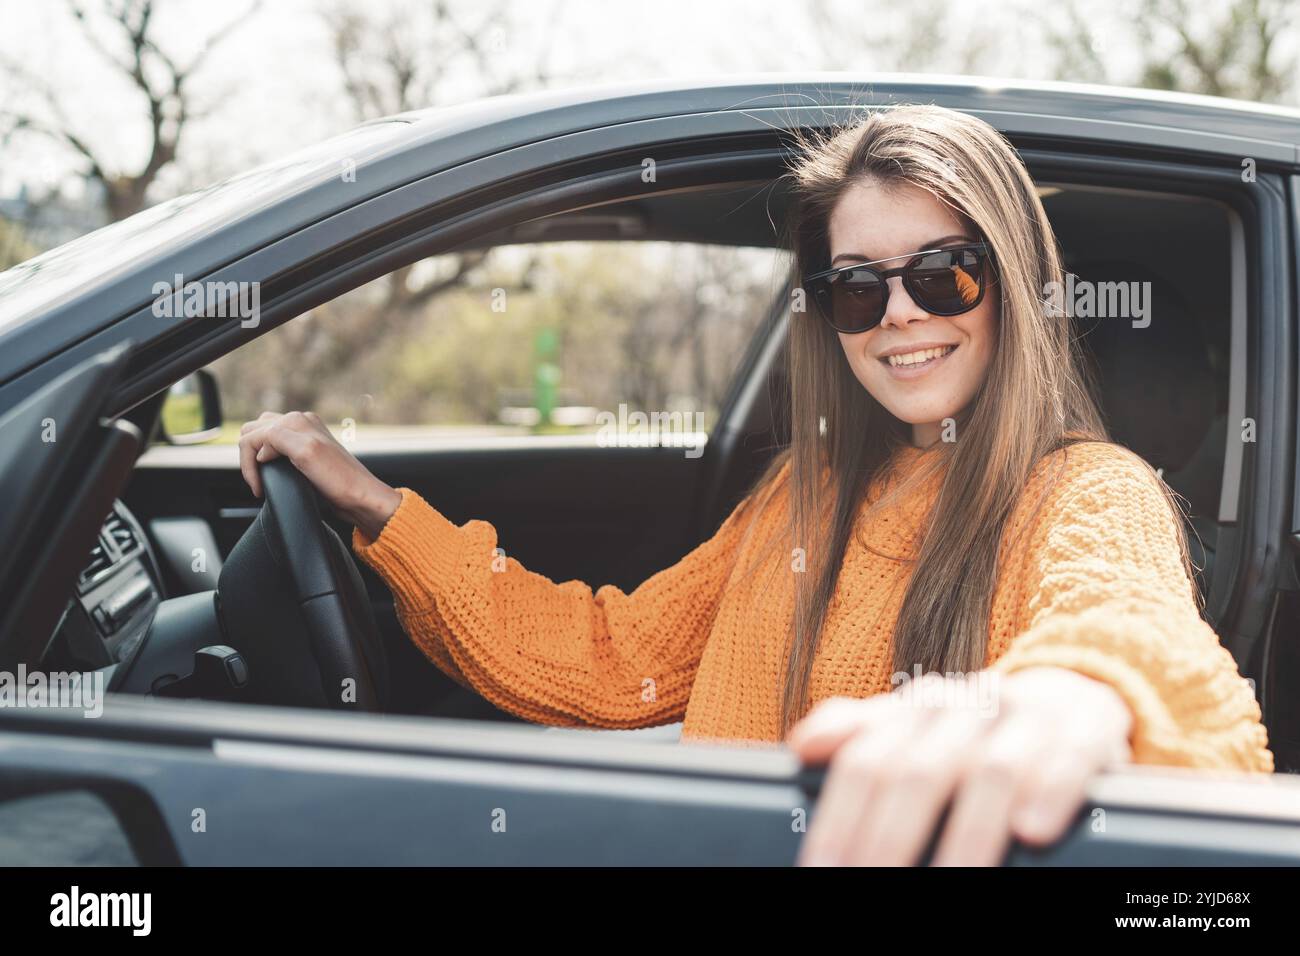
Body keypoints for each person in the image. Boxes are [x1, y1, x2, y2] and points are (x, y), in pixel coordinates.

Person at [237, 104, 1272, 866]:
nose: (899, 313)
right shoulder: (798, 496)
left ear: (1013, 283)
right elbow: (611, 661)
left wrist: (1069, 698)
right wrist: (377, 509)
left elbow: (1135, 639)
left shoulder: (1086, 488)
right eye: (857, 286)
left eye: (943, 271)